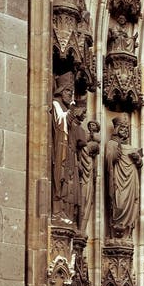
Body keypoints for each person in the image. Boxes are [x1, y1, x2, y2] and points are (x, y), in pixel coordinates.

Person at [51, 72, 82, 225]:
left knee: (67, 180)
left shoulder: (64, 105)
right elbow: (60, 121)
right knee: (59, 176)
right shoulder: (56, 104)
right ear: (61, 90)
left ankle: (62, 210)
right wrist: (71, 112)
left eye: (72, 91)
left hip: (68, 149)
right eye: (69, 91)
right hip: (59, 147)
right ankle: (56, 210)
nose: (71, 95)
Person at [104, 117, 142, 239]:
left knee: (130, 204)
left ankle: (127, 228)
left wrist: (138, 159)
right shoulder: (112, 144)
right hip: (118, 179)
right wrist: (114, 155)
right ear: (117, 128)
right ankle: (116, 225)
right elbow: (108, 160)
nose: (125, 130)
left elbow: (140, 164)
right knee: (118, 204)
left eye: (127, 128)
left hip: (131, 179)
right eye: (123, 127)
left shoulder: (131, 147)